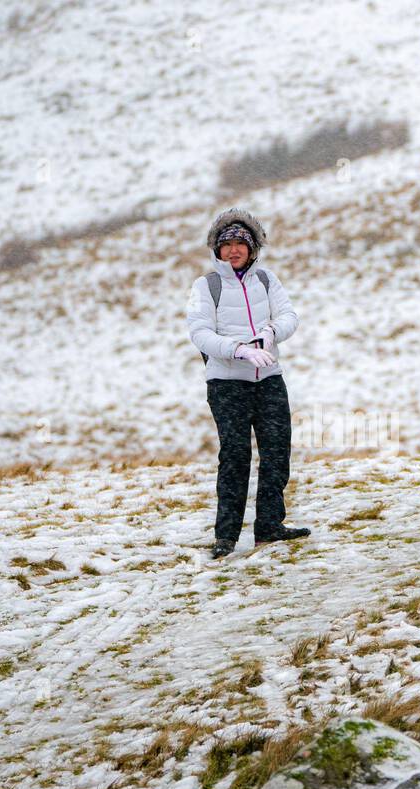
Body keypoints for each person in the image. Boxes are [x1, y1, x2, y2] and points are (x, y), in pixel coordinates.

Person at [186, 209, 310, 559]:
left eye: (242, 243)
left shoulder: (267, 280)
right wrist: (238, 350)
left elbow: (289, 317)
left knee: (276, 453)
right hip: (227, 385)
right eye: (227, 245)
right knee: (235, 457)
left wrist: (269, 333)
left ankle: (269, 526)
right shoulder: (205, 286)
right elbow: (200, 333)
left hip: (269, 378)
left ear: (253, 248)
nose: (234, 250)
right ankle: (225, 536)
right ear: (217, 250)